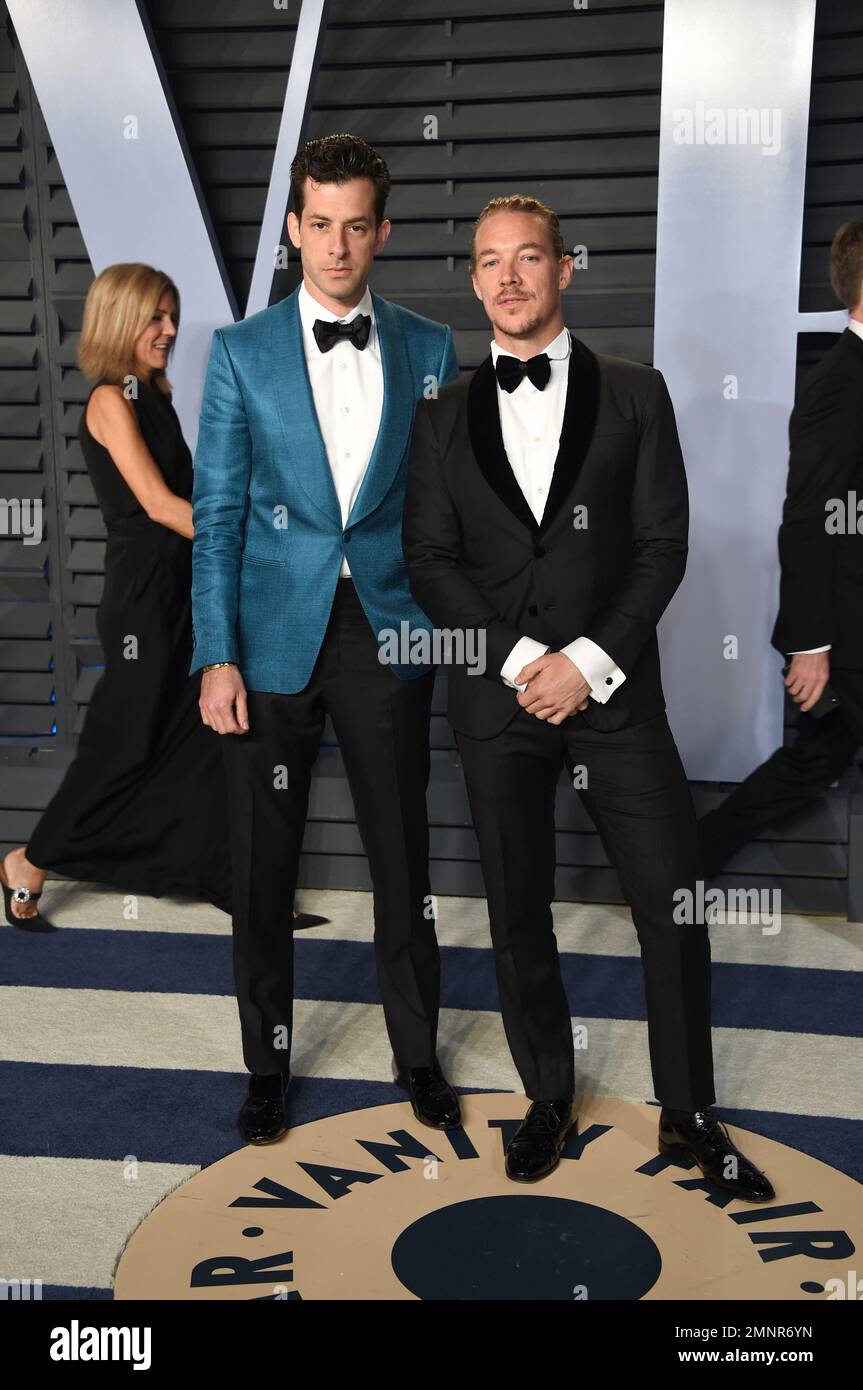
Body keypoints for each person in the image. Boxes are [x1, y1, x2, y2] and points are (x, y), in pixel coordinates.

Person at [403, 194, 774, 1199]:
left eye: (527, 257)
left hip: (615, 698)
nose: (508, 276)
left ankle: (688, 1112)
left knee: (672, 904)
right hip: (497, 701)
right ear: (473, 278)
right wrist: (527, 660)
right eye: (489, 261)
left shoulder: (636, 392)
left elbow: (661, 546)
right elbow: (429, 560)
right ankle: (546, 1095)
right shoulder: (436, 416)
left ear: (564, 267)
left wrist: (586, 662)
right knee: (517, 910)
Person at [190, 134, 461, 1145]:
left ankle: (417, 1055)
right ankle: (266, 1067)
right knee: (262, 866)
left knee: (403, 859)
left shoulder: (431, 346)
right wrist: (215, 653)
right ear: (295, 230)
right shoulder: (239, 351)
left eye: (355, 226)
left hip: (389, 631)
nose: (336, 246)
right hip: (268, 639)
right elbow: (217, 514)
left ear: (380, 232)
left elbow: (444, 511)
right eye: (319, 224)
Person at [0, 263, 233, 929]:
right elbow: (159, 505)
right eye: (155, 317)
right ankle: (30, 860)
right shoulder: (110, 399)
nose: (169, 329)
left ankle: (222, 875)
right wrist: (248, 541)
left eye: (172, 315)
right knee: (124, 744)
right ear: (119, 320)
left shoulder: (153, 395)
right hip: (143, 596)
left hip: (184, 586)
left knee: (198, 738)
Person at [699, 221, 863, 877]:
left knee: (812, 760)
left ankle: (685, 861)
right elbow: (806, 519)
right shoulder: (841, 384)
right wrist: (810, 644)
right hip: (847, 635)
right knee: (811, 761)